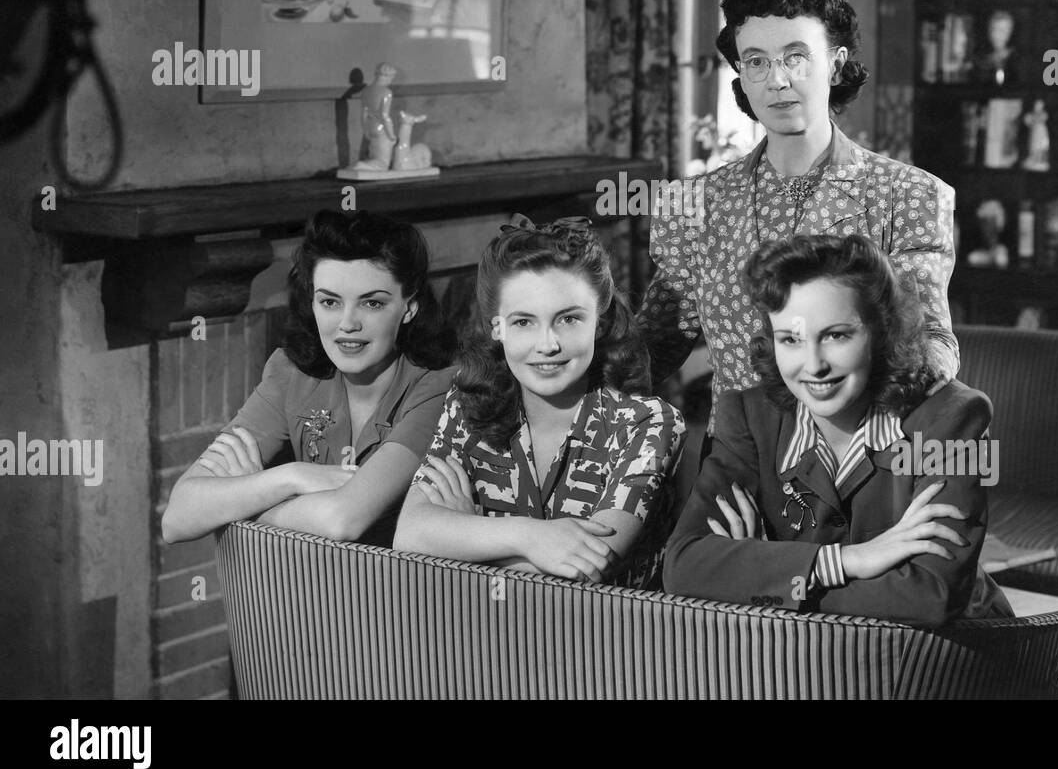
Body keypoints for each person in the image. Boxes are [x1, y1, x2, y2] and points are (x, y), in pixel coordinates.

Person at [640, 0, 958, 435]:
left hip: (857, 456)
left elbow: (931, 340)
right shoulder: (692, 204)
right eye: (756, 62)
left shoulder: (907, 195)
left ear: (835, 65)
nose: (778, 80)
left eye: (796, 57)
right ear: (742, 76)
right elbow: (652, 348)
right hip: (736, 458)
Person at [662, 234, 1010, 625]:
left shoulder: (956, 418)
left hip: (950, 650)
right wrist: (844, 561)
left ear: (881, 332)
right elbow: (682, 568)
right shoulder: (747, 417)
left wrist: (762, 578)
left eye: (836, 335)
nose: (814, 365)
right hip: (815, 652)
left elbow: (931, 596)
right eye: (790, 340)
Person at [394, 217, 685, 588]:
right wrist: (527, 537)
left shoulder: (649, 423)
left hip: (602, 625)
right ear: (497, 328)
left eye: (569, 319)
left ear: (598, 322)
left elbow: (591, 565)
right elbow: (410, 535)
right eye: (523, 322)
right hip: (484, 619)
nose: (548, 344)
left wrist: (464, 536)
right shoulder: (465, 402)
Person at [161, 210, 453, 547]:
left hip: (398, 580)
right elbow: (177, 519)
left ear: (409, 307)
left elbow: (342, 520)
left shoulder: (438, 389)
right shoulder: (290, 373)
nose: (347, 323)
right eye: (329, 301)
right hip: (300, 577)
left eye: (372, 303)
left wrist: (239, 503)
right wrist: (290, 477)